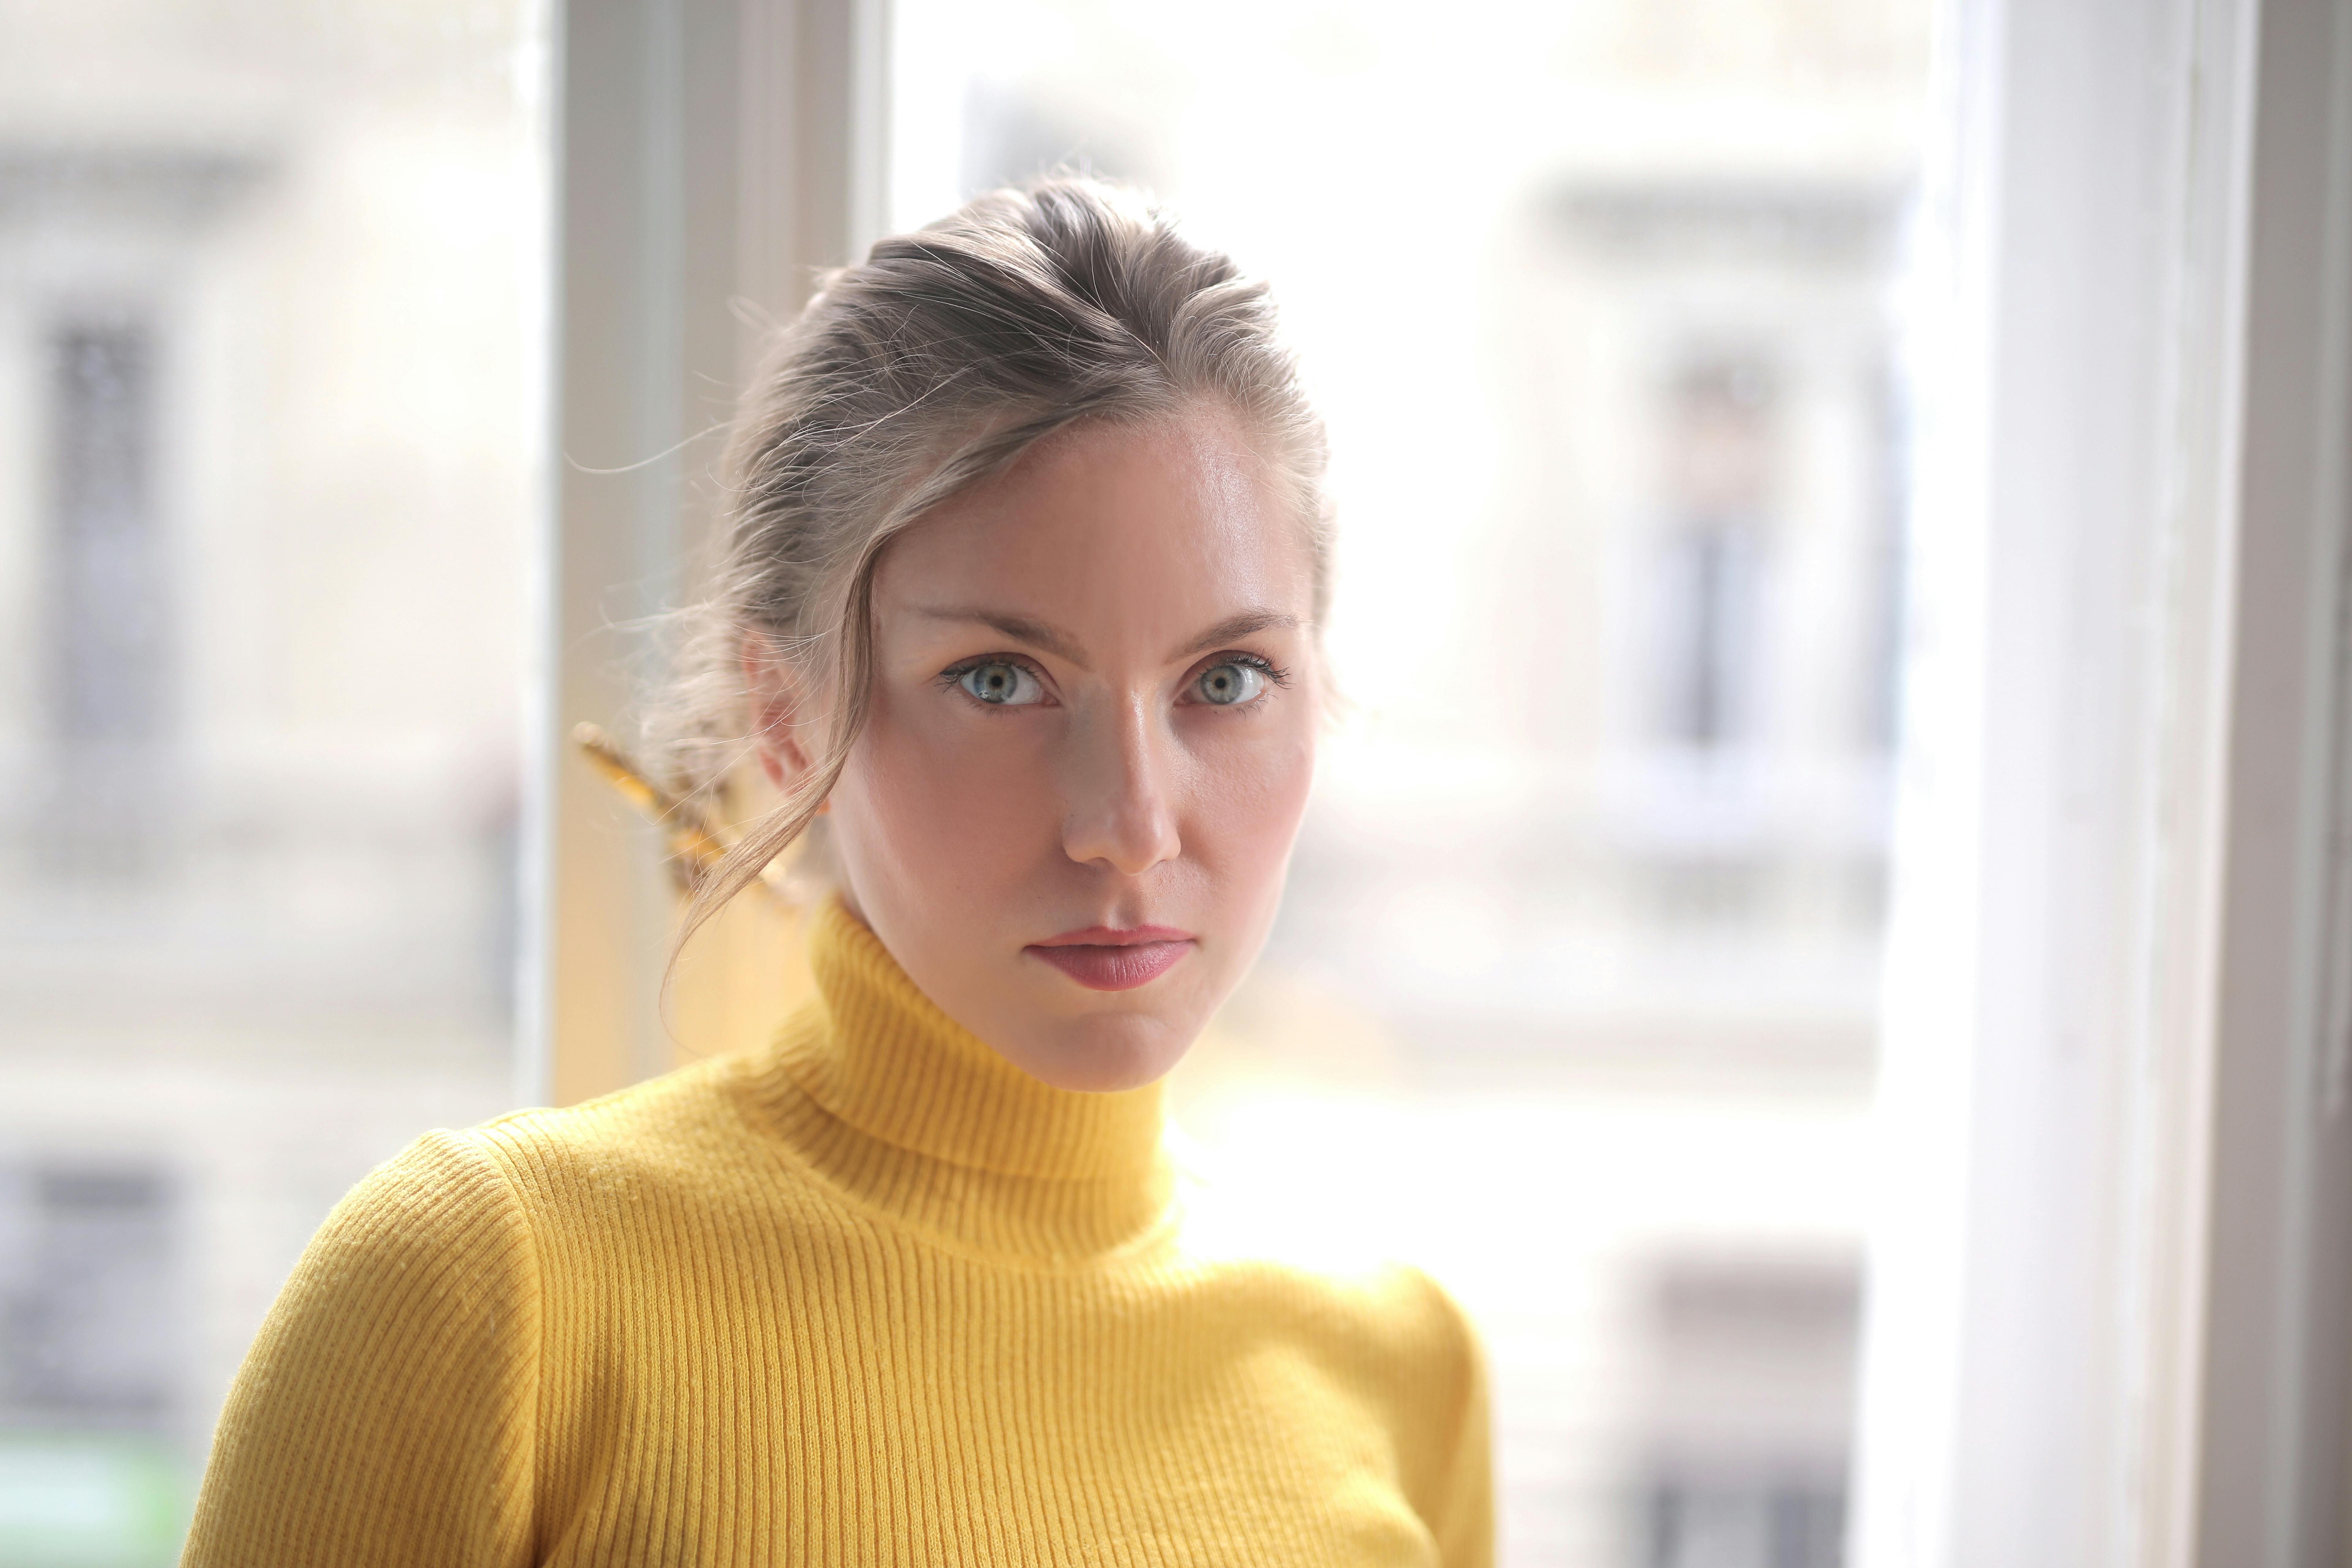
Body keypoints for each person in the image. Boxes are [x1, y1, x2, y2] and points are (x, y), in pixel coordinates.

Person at [183, 177, 1493, 1566]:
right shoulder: (484, 1292)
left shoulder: (1402, 1365)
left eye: (1226, 678)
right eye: (1002, 678)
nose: (1130, 824)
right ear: (786, 710)